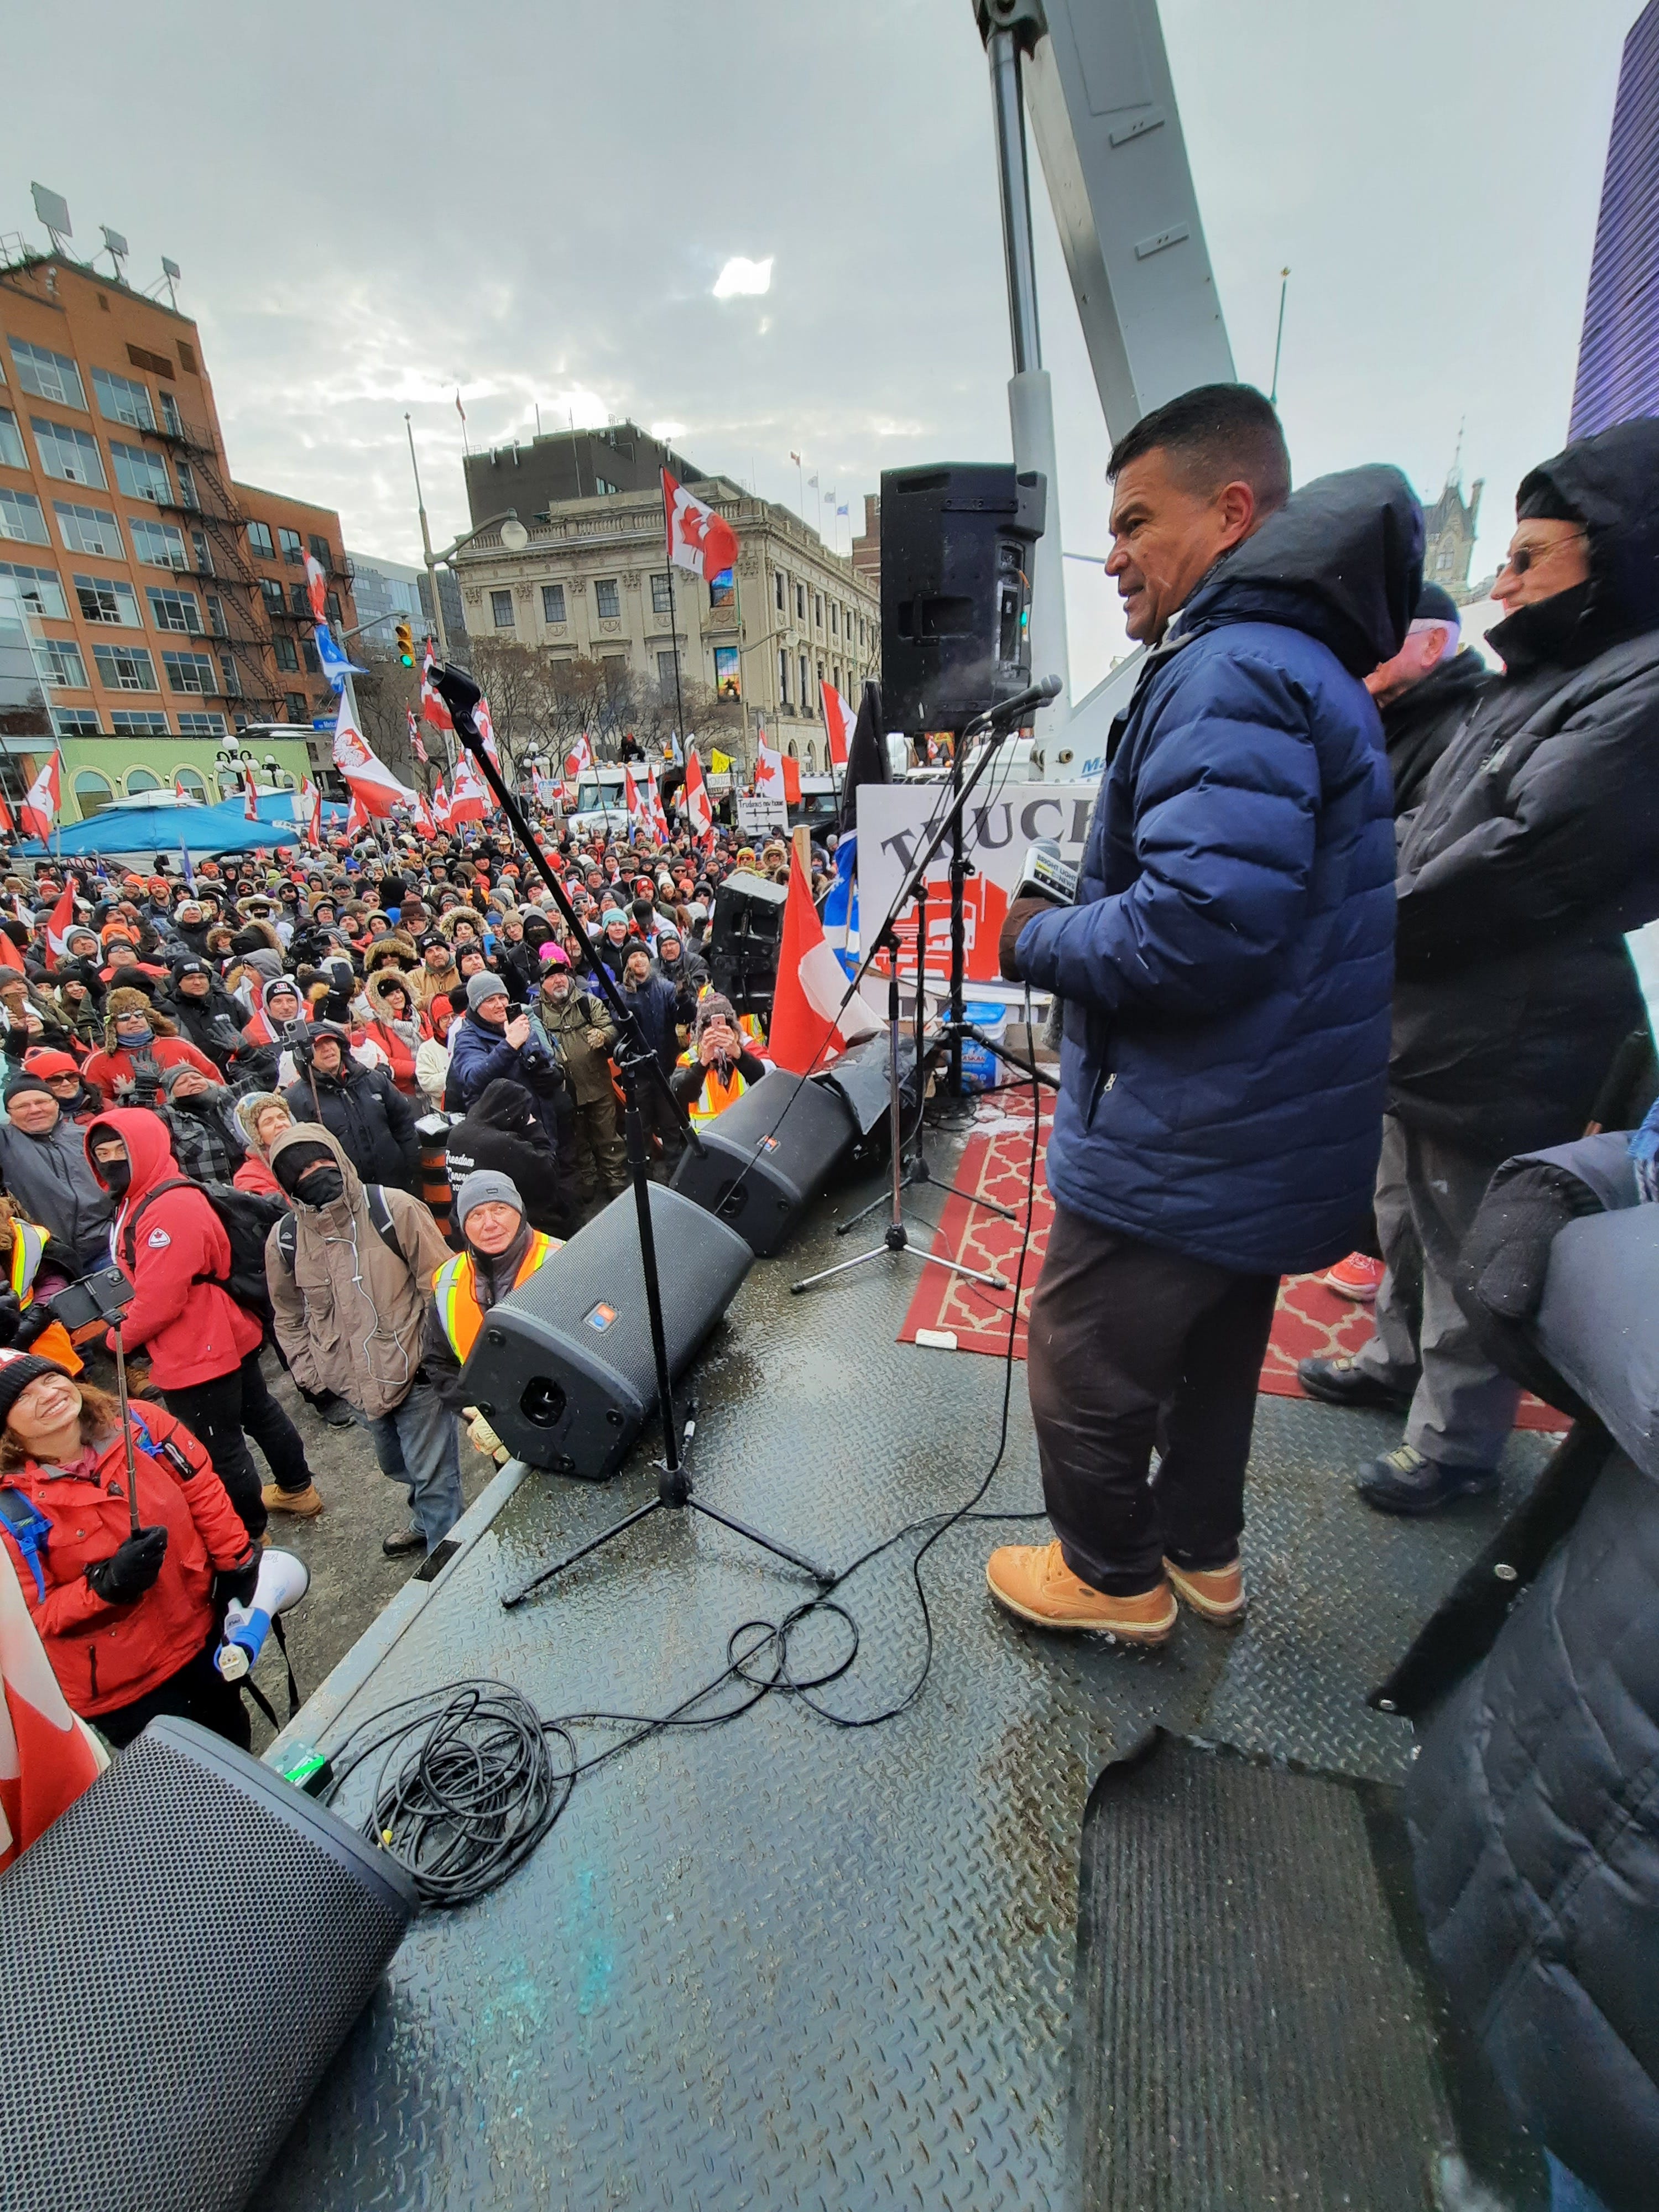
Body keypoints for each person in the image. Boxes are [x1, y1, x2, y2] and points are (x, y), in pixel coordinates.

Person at [990, 383, 1414, 1641]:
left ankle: (1110, 1574)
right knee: (1217, 1348)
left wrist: (1034, 936)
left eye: (1134, 520)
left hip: (1192, 1116)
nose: (1110, 555)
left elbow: (1199, 927)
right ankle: (1198, 1553)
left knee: (1081, 1354)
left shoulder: (1227, 670)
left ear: (1230, 511)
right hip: (1260, 1113)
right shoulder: (1295, 664)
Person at [1301, 418, 1659, 1516]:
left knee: (1466, 1233)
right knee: (1405, 1201)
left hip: (1511, 1030)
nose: (1501, 584)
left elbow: (1517, 854)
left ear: (1611, 558)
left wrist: (1353, 911)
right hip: (1432, 1014)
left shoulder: (1636, 688)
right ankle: (1395, 1358)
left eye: (1526, 558)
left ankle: (1453, 1445)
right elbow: (1421, 829)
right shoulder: (1525, 684)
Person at [0, 1350, 259, 1749]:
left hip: (200, 1632)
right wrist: (105, 1588)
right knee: (182, 1782)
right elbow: (32, 1619)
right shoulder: (8, 1510)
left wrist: (236, 1563)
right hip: (122, 1689)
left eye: (50, 1379)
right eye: (22, 1397)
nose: (48, 1394)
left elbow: (201, 1489)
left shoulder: (141, 1423)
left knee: (234, 1737)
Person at [86, 1108, 322, 1537]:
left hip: (196, 1344)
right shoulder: (145, 1196)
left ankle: (250, 1532)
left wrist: (116, 1340)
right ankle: (296, 1488)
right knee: (258, 1414)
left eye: (122, 1149)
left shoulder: (168, 1205)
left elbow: (162, 1299)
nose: (111, 1160)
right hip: (220, 1331)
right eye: (101, 1152)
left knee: (220, 1442)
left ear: (146, 1146)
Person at [265, 1123, 461, 1558]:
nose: (314, 1173)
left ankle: (448, 1565)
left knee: (433, 1478)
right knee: (396, 1465)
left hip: (415, 1373)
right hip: (353, 1384)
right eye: (300, 1171)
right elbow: (288, 1314)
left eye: (321, 1161)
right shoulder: (286, 1238)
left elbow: (442, 1283)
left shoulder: (393, 1208)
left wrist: (435, 1359)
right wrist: (313, 1374)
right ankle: (427, 1520)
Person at [423, 1170, 562, 1467]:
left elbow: (590, 1361)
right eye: (476, 1215)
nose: (490, 1224)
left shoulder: (564, 1263)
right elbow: (440, 1362)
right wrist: (485, 1414)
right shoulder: (447, 1280)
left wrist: (516, 1417)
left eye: (500, 1209)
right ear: (462, 1225)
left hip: (567, 1430)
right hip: (500, 1440)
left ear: (520, 1211)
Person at [1365, 581, 1490, 820]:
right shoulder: (1364, 712)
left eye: (1381, 632)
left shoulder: (1472, 721)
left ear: (1432, 645)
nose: (1364, 647)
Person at [530, 958, 625, 1203]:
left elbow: (612, 1028)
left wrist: (603, 1035)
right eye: (551, 976)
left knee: (607, 1136)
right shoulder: (535, 1013)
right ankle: (589, 1180)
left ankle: (615, 1179)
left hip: (597, 1083)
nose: (558, 979)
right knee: (577, 1140)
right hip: (564, 1091)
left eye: (562, 974)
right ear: (542, 984)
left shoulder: (588, 1002)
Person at [285, 1021, 419, 1193]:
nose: (328, 1049)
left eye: (331, 1042)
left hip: (396, 1185)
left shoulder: (373, 1079)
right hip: (344, 1193)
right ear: (305, 1054)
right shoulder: (296, 1099)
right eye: (318, 1045)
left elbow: (403, 1124)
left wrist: (413, 1169)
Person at [0, 1074, 114, 1275]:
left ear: (56, 1104)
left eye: (41, 1102)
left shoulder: (85, 1136)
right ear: (10, 1114)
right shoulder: (5, 1143)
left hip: (104, 1249)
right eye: (22, 1106)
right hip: (48, 1261)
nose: (35, 1110)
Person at [445, 1077, 575, 1238]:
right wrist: (533, 1127)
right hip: (506, 1231)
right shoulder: (498, 1143)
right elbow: (548, 1171)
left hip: (466, 1226)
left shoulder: (457, 1133)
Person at [82, 988, 218, 1108]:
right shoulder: (98, 1061)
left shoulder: (179, 1045)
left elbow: (215, 1081)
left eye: (139, 1015)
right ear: (112, 1025)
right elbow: (97, 1107)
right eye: (124, 1018)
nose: (134, 1020)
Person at [620, 942, 684, 1172]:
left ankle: (675, 1169)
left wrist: (683, 998)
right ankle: (643, 1174)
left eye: (643, 955)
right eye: (633, 957)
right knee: (641, 1125)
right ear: (627, 963)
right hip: (639, 1074)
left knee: (670, 1123)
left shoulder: (665, 988)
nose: (639, 960)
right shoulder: (621, 993)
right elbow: (618, 1028)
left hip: (665, 1068)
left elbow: (681, 1015)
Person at [671, 993, 766, 1123]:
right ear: (701, 1031)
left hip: (745, 1137)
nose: (716, 1032)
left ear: (734, 1028)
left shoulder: (750, 1048)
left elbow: (769, 1082)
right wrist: (703, 1062)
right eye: (707, 1026)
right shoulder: (690, 1058)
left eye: (725, 1024)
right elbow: (681, 1094)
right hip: (708, 1140)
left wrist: (738, 1054)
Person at [158, 1061, 247, 1185]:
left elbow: (263, 1080)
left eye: (197, 1078)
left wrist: (246, 1052)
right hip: (210, 1195)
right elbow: (143, 1125)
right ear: (171, 1094)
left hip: (250, 1184)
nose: (192, 1082)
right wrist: (143, 1091)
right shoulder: (169, 1116)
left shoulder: (226, 1096)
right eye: (182, 1082)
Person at [160, 957, 248, 1075]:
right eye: (190, 978)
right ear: (178, 982)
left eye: (202, 977)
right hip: (196, 1076)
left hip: (238, 1071)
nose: (197, 982)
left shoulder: (228, 1002)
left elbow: (250, 1033)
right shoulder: (168, 1008)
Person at [356, 969, 429, 1098]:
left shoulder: (422, 1017)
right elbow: (385, 1060)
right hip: (403, 1092)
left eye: (398, 991)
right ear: (381, 1000)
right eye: (390, 994)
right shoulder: (376, 1027)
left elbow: (434, 1046)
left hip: (431, 1083)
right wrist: (420, 1068)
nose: (397, 997)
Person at [232, 1091, 291, 1197]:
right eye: (269, 1122)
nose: (280, 1124)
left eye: (282, 1117)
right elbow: (278, 1209)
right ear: (256, 1133)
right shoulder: (248, 1176)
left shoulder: (314, 1149)